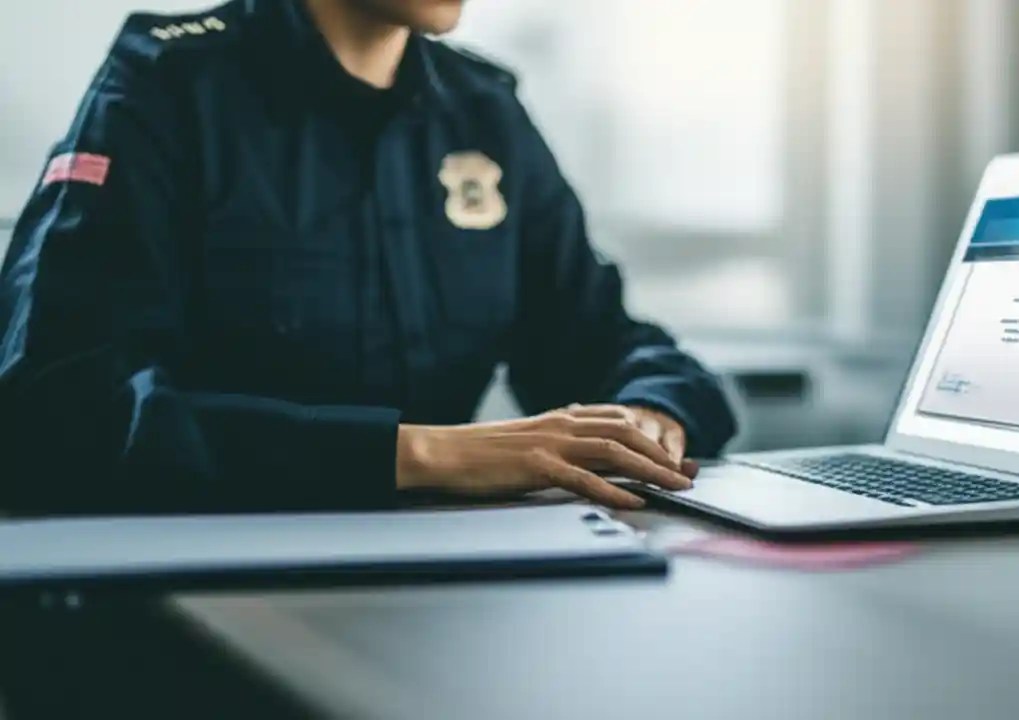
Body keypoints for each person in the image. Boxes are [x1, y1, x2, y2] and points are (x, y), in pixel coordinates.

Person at [0, 0, 735, 514]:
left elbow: (604, 341)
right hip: (191, 591)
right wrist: (428, 456)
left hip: (438, 586)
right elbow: (49, 416)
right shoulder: (168, 85)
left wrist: (646, 415)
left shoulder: (484, 112)